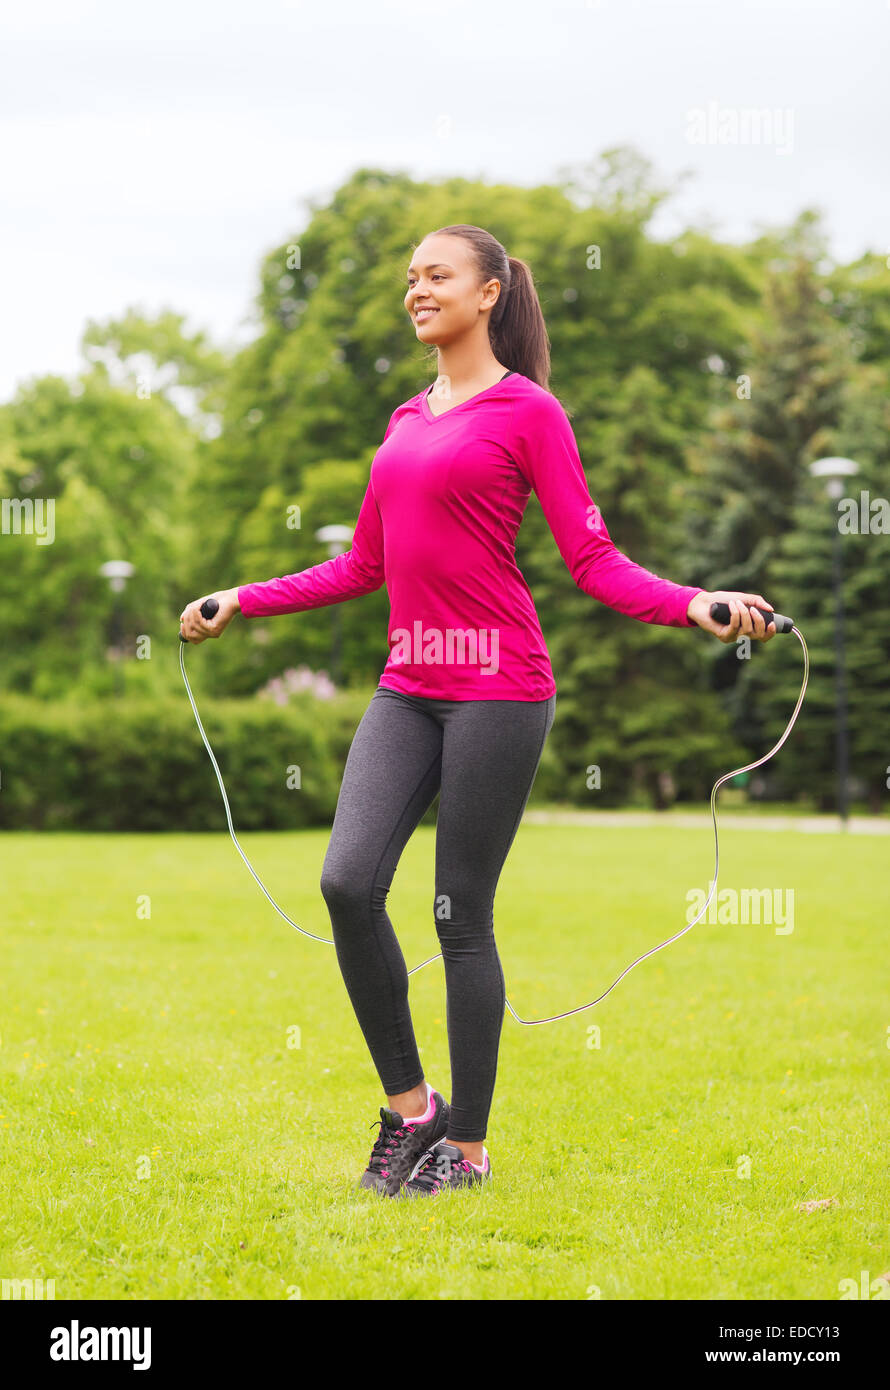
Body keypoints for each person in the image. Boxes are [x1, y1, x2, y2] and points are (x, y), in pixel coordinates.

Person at [180, 223, 777, 1199]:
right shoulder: (404, 420)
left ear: (489, 292)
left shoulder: (528, 412)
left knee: (458, 911)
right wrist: (244, 597)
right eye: (409, 276)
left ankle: (466, 1153)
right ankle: (413, 1111)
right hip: (408, 683)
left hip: (499, 686)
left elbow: (592, 559)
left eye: (437, 275)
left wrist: (694, 604)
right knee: (345, 881)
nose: (417, 290)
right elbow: (362, 564)